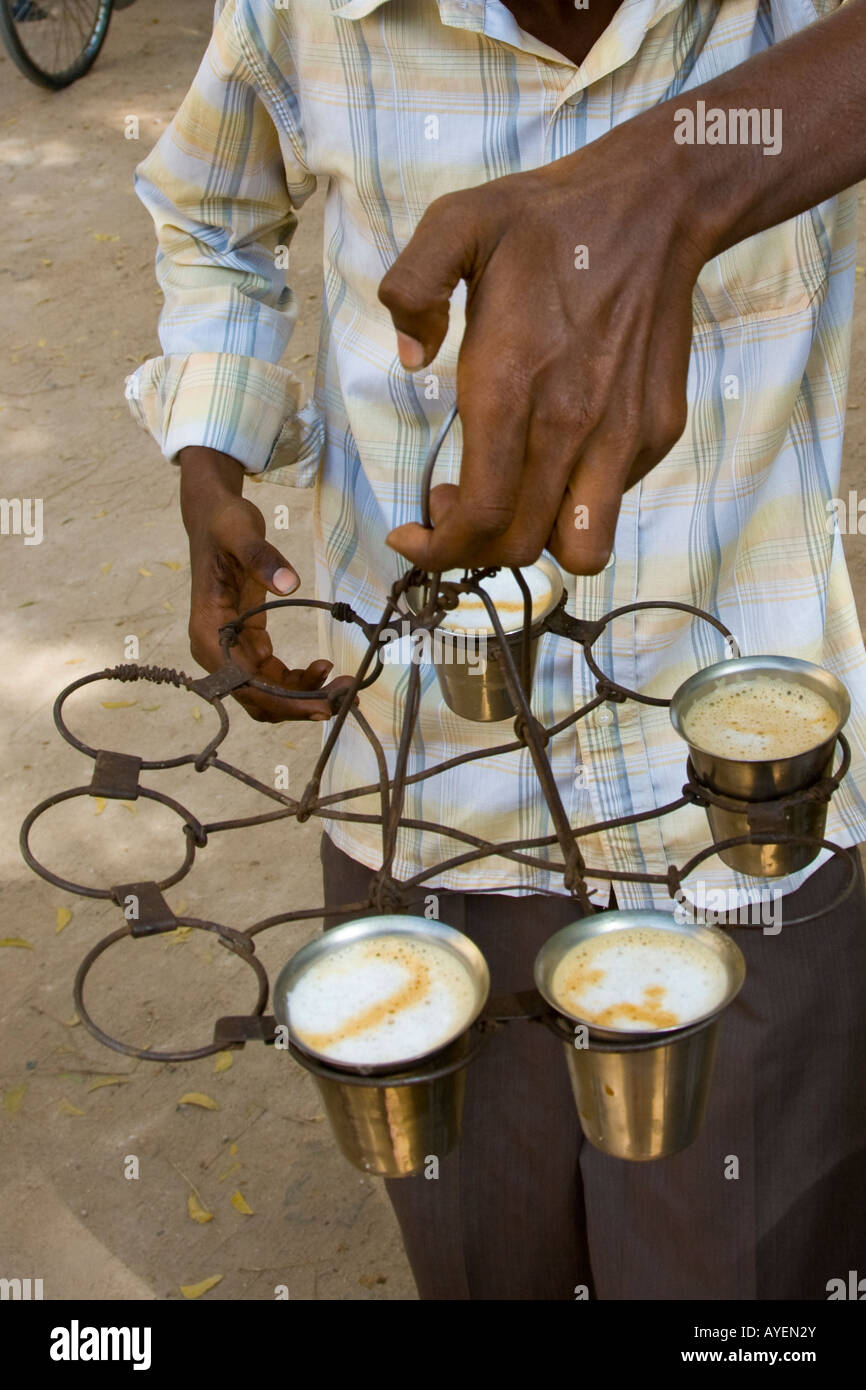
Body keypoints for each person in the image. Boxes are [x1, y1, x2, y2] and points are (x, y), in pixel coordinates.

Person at [125, 0, 866, 1299]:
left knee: (742, 1280)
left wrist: (670, 180)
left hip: (747, 816)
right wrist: (211, 451)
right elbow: (209, 218)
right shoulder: (298, 19)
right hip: (433, 810)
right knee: (483, 1260)